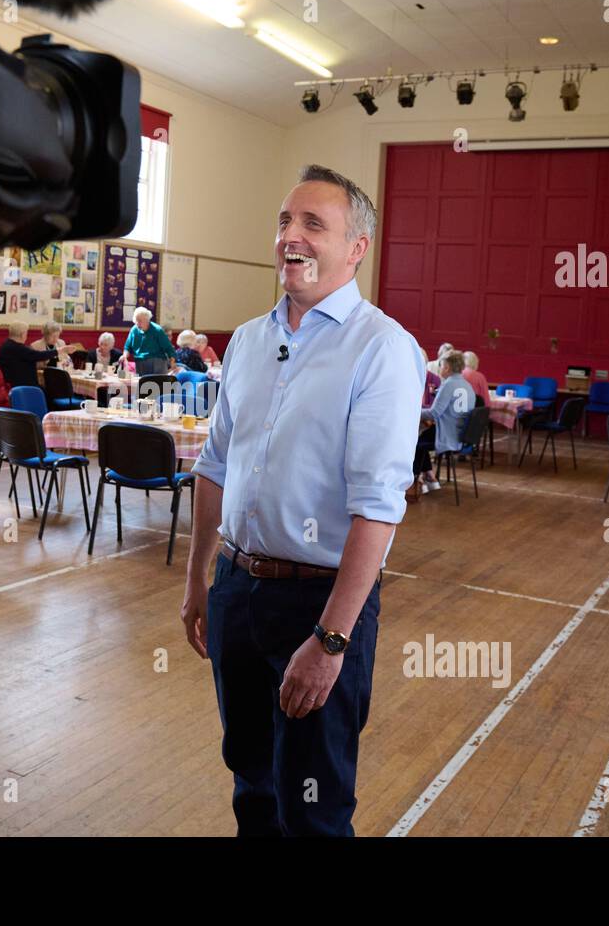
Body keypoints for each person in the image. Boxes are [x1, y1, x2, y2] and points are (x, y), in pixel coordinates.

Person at [182, 164, 423, 837]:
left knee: (314, 806)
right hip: (236, 588)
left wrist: (332, 637)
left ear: (356, 248)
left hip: (319, 602)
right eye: (285, 221)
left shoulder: (382, 349)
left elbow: (378, 505)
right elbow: (215, 464)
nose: (291, 235)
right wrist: (200, 578)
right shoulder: (251, 340)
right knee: (251, 782)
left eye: (314, 223)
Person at [413, 350, 474, 492]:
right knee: (421, 440)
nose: (440, 369)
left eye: (441, 366)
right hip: (461, 435)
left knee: (415, 442)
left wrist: (413, 412)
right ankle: (430, 477)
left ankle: (417, 482)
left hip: (447, 434)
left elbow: (434, 413)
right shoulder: (467, 385)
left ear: (447, 367)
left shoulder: (448, 385)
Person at [0, 321, 56, 388]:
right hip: (23, 387)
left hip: (12, 384)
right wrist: (58, 351)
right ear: (22, 335)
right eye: (26, 333)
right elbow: (38, 355)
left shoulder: (6, 345)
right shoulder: (17, 348)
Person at [123, 306, 175, 376]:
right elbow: (127, 347)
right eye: (136, 321)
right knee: (142, 385)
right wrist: (124, 356)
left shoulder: (157, 330)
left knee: (158, 385)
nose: (138, 323)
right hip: (140, 362)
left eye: (140, 321)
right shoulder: (134, 330)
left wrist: (172, 361)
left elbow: (169, 348)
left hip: (157, 363)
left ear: (147, 320)